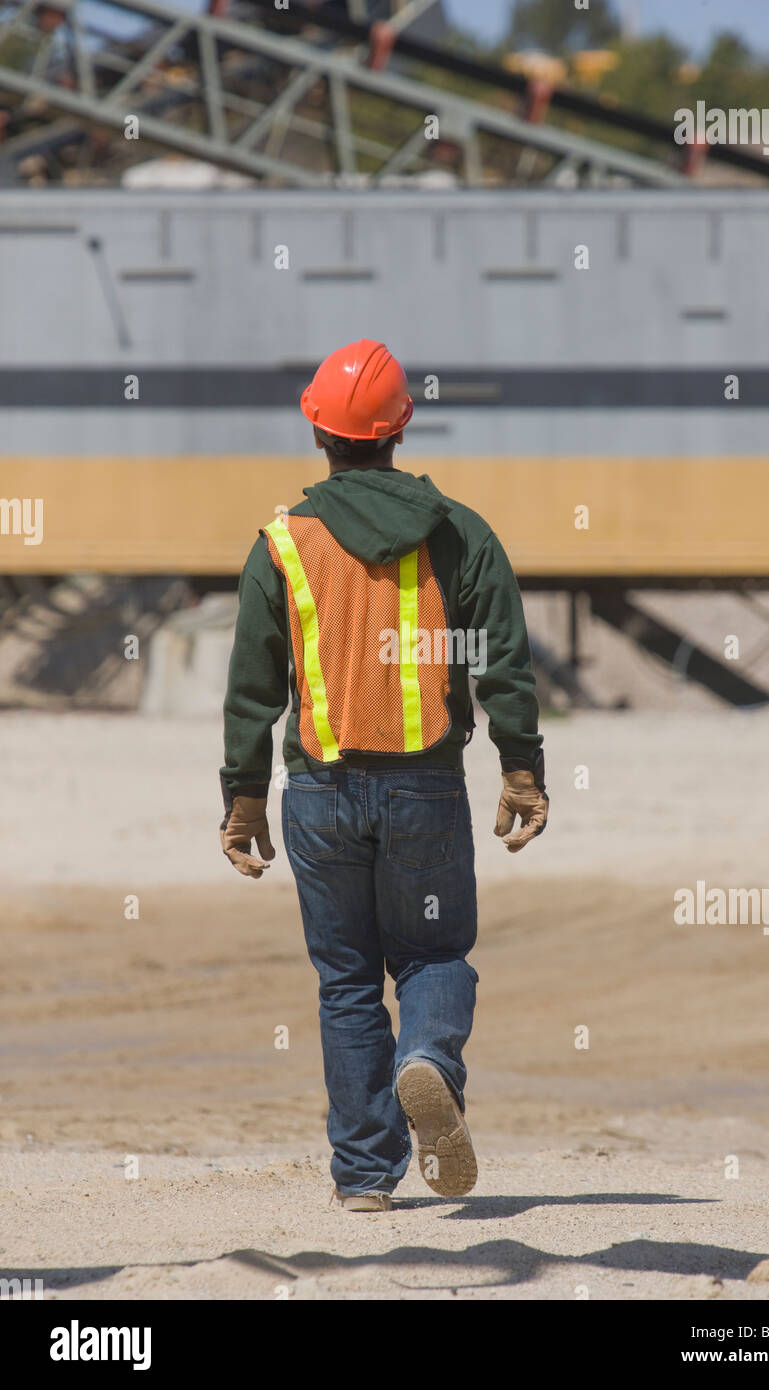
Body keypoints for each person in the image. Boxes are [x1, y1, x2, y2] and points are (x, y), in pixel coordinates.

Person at [220, 339, 548, 1211]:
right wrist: (522, 769)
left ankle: (366, 1177)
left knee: (346, 982)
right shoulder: (458, 533)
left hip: (321, 796)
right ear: (401, 428)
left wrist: (242, 798)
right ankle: (428, 1059)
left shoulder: (283, 543)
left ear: (318, 432)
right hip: (427, 791)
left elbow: (252, 684)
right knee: (435, 951)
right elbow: (504, 661)